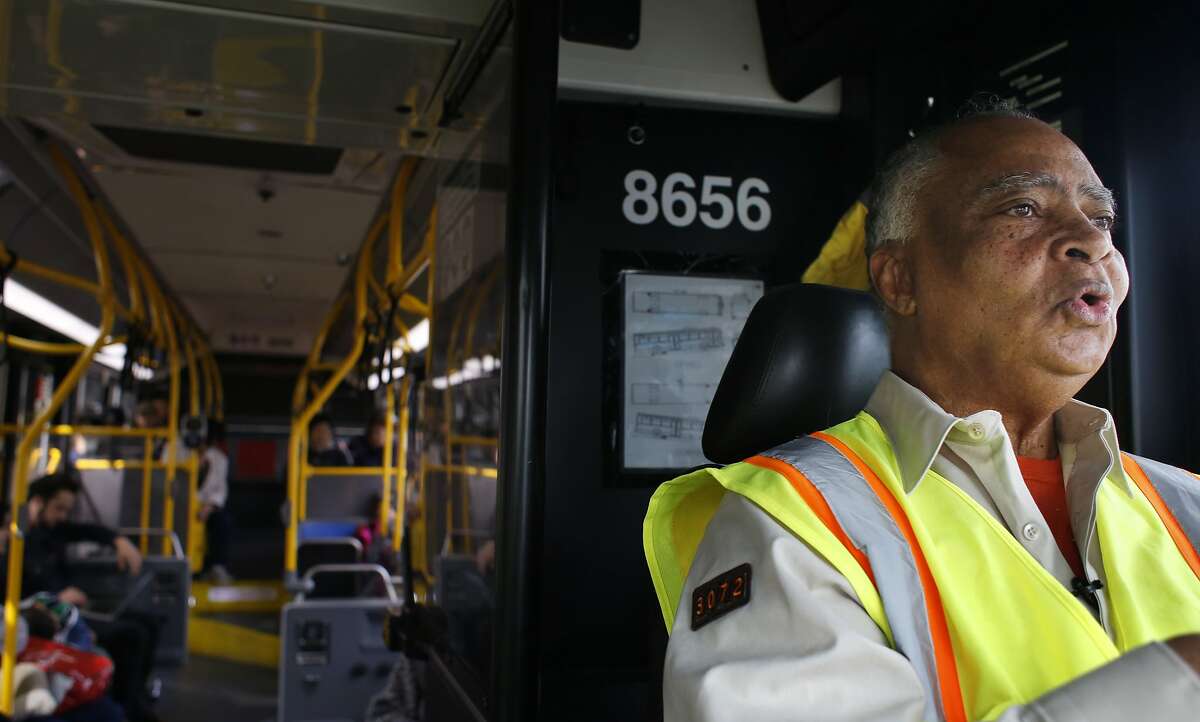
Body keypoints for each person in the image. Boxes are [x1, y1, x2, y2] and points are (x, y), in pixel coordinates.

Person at [645, 98, 1200, 722]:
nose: (1092, 242)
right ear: (900, 280)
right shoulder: (789, 523)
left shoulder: (1185, 504)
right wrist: (1180, 680)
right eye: (1023, 208)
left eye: (1100, 218)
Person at [14, 475, 161, 722]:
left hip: (69, 611)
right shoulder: (18, 541)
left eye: (67, 510)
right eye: (58, 508)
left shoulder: (54, 531)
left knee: (149, 622)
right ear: (37, 504)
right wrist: (56, 598)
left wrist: (118, 540)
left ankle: (135, 701)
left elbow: (87, 531)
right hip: (44, 621)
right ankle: (128, 708)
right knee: (132, 635)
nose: (63, 516)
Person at [195, 420, 233, 585]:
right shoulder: (175, 450)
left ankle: (216, 566)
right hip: (178, 504)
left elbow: (220, 490)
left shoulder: (219, 459)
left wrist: (209, 507)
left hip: (206, 506)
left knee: (223, 521)